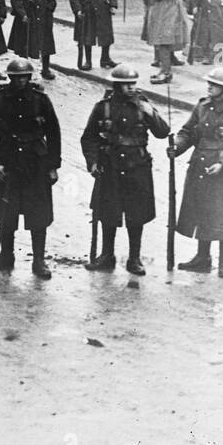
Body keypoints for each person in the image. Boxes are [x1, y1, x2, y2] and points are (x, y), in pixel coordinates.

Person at [81, 64, 170, 283]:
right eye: (126, 85)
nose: (130, 88)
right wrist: (92, 163)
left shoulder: (143, 106)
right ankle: (106, 255)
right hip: (109, 165)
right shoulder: (103, 107)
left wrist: (152, 113)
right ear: (117, 85)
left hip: (136, 166)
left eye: (133, 84)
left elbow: (163, 132)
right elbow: (89, 137)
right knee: (108, 212)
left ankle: (134, 258)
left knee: (136, 213)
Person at [168, 66, 223, 278]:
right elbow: (188, 132)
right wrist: (177, 147)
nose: (209, 87)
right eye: (209, 83)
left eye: (214, 85)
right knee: (202, 211)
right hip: (201, 167)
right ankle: (202, 258)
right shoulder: (202, 107)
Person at [0, 58, 61, 278]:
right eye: (16, 78)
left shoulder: (40, 99)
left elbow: (53, 133)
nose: (20, 81)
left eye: (24, 77)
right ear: (10, 78)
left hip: (36, 163)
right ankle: (5, 256)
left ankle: (39, 260)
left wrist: (53, 166)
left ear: (29, 77)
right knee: (5, 212)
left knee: (39, 214)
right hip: (8, 163)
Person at [8, 0, 58, 80]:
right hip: (27, 15)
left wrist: (50, 7)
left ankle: (46, 69)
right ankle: (24, 70)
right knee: (25, 44)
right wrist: (22, 14)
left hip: (43, 14)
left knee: (46, 43)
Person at [141, 0, 188, 84]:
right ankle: (164, 69)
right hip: (159, 6)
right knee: (161, 39)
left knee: (165, 39)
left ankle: (166, 72)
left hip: (172, 7)